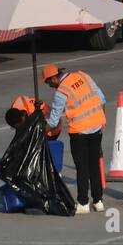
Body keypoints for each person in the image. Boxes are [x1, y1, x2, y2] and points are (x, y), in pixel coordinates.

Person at [43, 64, 107, 214]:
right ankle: (98, 202)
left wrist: (40, 131)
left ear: (54, 77)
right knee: (94, 165)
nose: (49, 86)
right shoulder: (83, 76)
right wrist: (101, 120)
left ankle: (83, 203)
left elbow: (52, 122)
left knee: (82, 167)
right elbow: (101, 99)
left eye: (48, 82)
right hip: (96, 127)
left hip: (79, 133)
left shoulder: (61, 92)